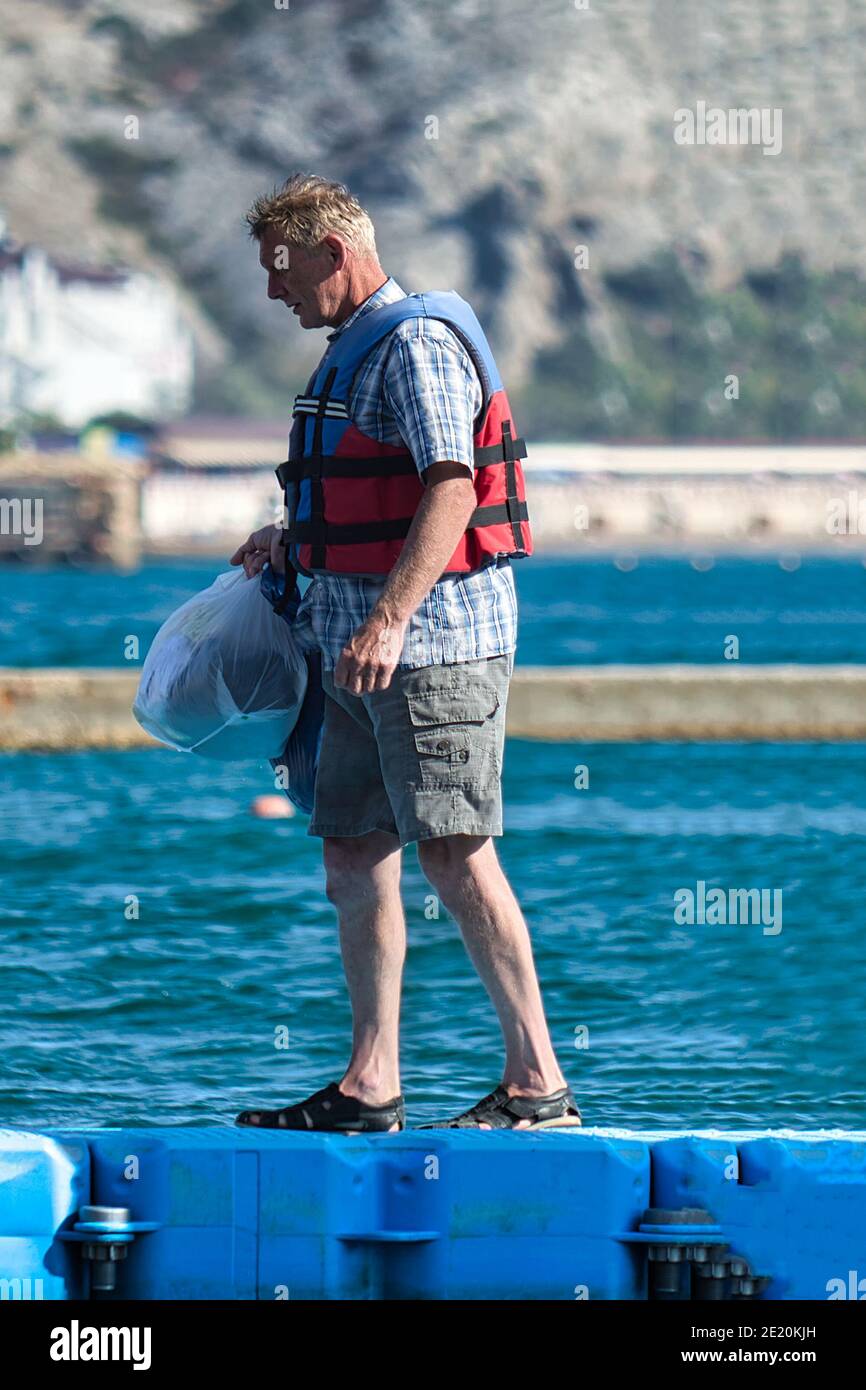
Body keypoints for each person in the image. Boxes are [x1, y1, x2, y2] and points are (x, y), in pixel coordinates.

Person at [230, 173, 581, 1134]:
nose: (274, 291)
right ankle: (370, 1083)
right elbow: (358, 489)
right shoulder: (353, 351)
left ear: (333, 253)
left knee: (459, 854)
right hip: (353, 653)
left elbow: (452, 489)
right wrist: (288, 539)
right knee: (352, 854)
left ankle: (538, 1085)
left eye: (282, 269)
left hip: (427, 649)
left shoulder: (416, 345)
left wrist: (388, 620)